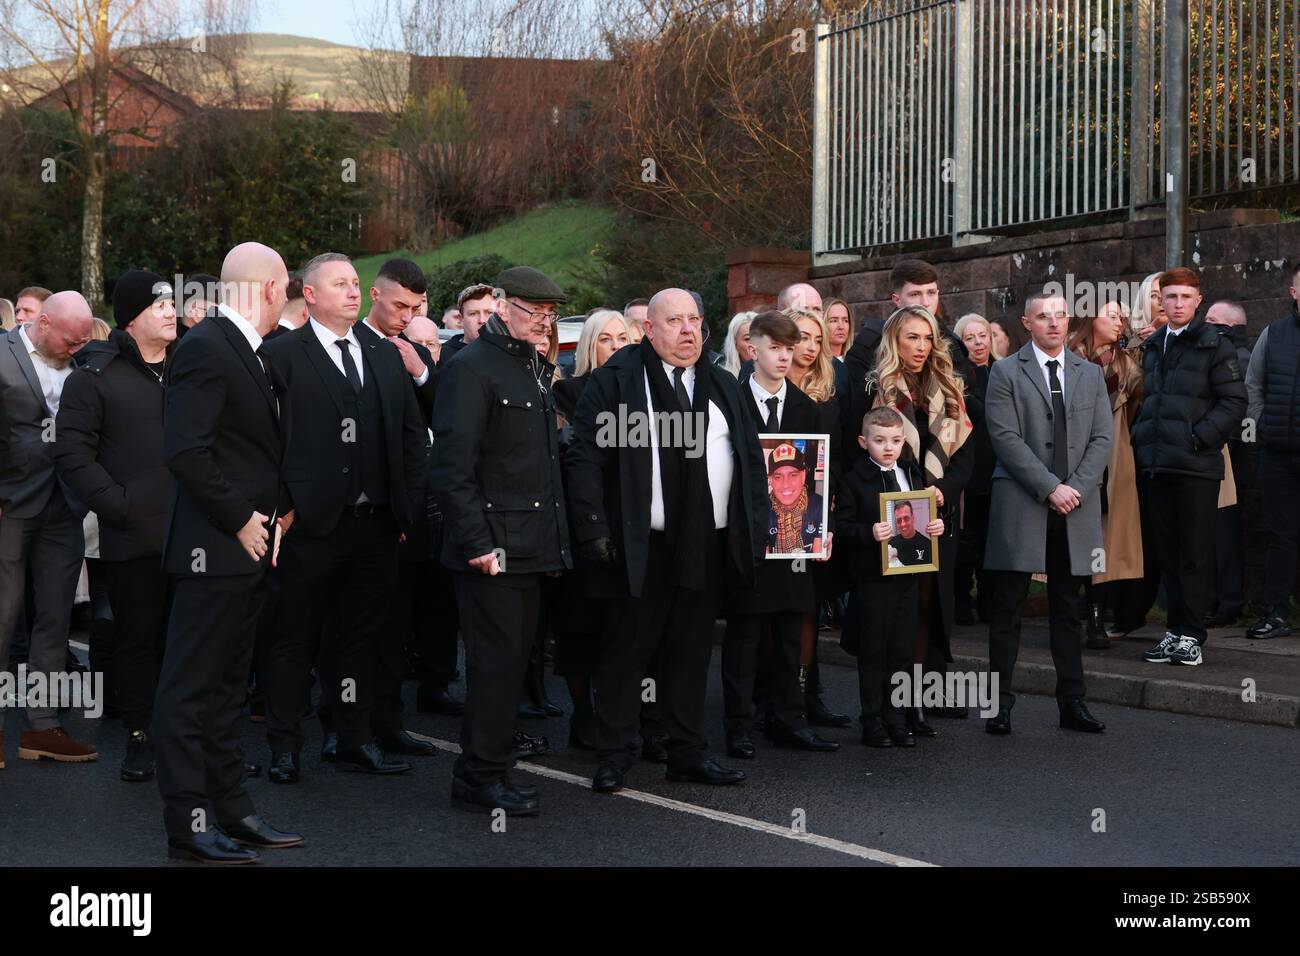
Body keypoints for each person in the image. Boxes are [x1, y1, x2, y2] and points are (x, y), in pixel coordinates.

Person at [564, 287, 767, 794]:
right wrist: (593, 529)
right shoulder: (616, 382)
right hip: (640, 546)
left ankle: (687, 753)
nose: (687, 331)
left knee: (692, 653)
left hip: (707, 543)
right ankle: (615, 754)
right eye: (673, 321)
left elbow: (750, 463)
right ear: (648, 329)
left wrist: (755, 531)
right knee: (625, 653)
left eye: (694, 320)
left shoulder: (723, 384)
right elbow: (585, 458)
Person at [153, 242, 301, 863]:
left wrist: (277, 511)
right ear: (268, 288)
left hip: (248, 551)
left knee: (227, 690)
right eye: (287, 286)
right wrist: (242, 519)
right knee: (190, 691)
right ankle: (188, 825)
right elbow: (186, 451)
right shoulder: (207, 347)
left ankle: (234, 811)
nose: (288, 296)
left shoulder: (251, 352)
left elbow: (251, 448)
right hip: (211, 551)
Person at [260, 252, 429, 782]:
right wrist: (282, 510)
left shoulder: (384, 356)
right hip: (307, 527)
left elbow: (409, 437)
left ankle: (351, 739)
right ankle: (284, 747)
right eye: (340, 284)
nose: (353, 292)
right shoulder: (281, 354)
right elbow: (264, 441)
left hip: (376, 525)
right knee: (294, 639)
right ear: (309, 294)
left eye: (356, 283)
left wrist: (405, 507)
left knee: (361, 639)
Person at [430, 265, 573, 816]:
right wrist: (476, 543)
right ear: (504, 306)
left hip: (533, 544)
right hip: (491, 551)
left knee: (511, 666)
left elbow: (539, 465)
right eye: (533, 312)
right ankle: (477, 780)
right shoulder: (470, 368)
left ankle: (490, 771)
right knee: (492, 668)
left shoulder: (535, 367)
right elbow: (451, 467)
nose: (543, 322)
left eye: (549, 314)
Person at [54, 271, 178, 782]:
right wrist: (117, 505)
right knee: (137, 641)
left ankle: (192, 743)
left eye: (173, 303)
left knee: (191, 643)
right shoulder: (94, 377)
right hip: (133, 538)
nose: (173, 311)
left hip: (197, 535)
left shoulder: (191, 370)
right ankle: (140, 739)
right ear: (131, 317)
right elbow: (72, 455)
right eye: (161, 305)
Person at [983, 289, 1111, 735]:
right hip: (1023, 502)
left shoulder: (1090, 374)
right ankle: (998, 704)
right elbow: (1005, 439)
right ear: (1027, 323)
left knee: (1067, 607)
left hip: (1074, 507)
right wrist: (1049, 487)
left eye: (1060, 316)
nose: (1054, 323)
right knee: (1008, 608)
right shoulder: (1004, 373)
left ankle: (1072, 702)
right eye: (1044, 317)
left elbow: (1102, 439)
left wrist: (1073, 489)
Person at [720, 311, 838, 758]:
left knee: (791, 633)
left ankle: (789, 719)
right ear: (753, 350)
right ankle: (738, 725)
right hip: (745, 540)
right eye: (776, 348)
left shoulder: (808, 408)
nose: (785, 356)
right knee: (745, 635)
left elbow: (820, 478)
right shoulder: (732, 402)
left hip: (794, 543)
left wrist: (821, 530)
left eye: (790, 349)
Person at [0, 290, 98, 767]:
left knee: (55, 620)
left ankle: (43, 727)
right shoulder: (2, 354)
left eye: (84, 341)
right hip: (10, 506)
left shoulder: (85, 363)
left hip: (65, 506)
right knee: (3, 616)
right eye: (71, 341)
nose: (78, 349)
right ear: (42, 323)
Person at [867, 305, 974, 732]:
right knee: (901, 610)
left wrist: (941, 491)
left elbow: (967, 458)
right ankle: (891, 707)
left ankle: (920, 700)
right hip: (895, 514)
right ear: (895, 340)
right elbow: (868, 451)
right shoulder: (878, 388)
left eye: (927, 338)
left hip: (938, 515)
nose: (921, 346)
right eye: (912, 337)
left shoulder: (950, 388)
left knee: (931, 606)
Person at [1133, 268, 1246, 667]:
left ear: (1198, 300)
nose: (1178, 303)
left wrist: (1196, 439)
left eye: (1185, 296)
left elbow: (1234, 403)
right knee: (1167, 553)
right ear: (1160, 301)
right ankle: (1174, 632)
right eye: (1171, 297)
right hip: (1156, 466)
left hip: (1196, 467)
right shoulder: (1153, 346)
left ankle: (1192, 636)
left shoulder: (1215, 344)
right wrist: (1142, 442)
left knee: (1195, 554)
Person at [837, 406, 945, 747]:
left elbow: (929, 514)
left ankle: (896, 718)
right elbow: (841, 528)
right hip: (872, 578)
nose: (888, 447)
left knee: (901, 649)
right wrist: (868, 532)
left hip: (907, 577)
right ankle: (872, 720)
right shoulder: (854, 479)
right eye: (880, 440)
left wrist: (940, 525)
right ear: (863, 441)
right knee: (873, 650)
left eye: (896, 440)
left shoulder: (912, 473)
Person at [782, 306, 851, 728]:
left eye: (816, 339)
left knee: (809, 606)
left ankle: (809, 694)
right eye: (801, 337)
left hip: (818, 514)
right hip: (776, 514)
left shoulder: (830, 388)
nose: (809, 347)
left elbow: (839, 453)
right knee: (779, 610)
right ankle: (777, 697)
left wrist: (830, 506)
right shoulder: (764, 385)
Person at [1066, 299, 1144, 649]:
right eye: (1111, 315)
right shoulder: (1069, 357)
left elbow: (1133, 412)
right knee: (1077, 535)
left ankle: (1097, 617)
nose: (1119, 322)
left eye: (1122, 317)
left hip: (1114, 459)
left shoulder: (1129, 365)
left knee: (1107, 539)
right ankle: (1072, 611)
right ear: (1090, 318)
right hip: (1072, 457)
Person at [1243, 264, 1300, 638]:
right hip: (1278, 454)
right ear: (1294, 292)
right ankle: (1275, 613)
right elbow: (1253, 384)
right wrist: (1260, 425)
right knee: (1281, 535)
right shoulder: (1274, 333)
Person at [1203, 300, 1251, 628]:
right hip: (1219, 453)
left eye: (1211, 320)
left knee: (1223, 534)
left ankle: (1225, 602)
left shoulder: (1237, 359)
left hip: (1228, 457)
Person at [952, 314, 997, 623]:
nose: (979, 342)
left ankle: (988, 598)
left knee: (991, 538)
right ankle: (960, 599)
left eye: (983, 335)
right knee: (966, 538)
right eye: (970, 338)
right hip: (970, 466)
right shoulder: (958, 377)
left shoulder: (1003, 369)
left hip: (999, 465)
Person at [556, 309, 630, 424]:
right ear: (590, 346)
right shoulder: (570, 391)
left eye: (622, 338)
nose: (616, 346)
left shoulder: (643, 384)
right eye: (605, 339)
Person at [441, 283, 498, 363]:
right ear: (461, 319)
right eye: (473, 314)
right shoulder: (441, 356)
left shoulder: (512, 353)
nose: (482, 320)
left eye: (489, 312)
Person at [720, 311, 755, 378]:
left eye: (759, 337)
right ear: (735, 344)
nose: (754, 344)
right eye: (747, 339)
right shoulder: (723, 380)